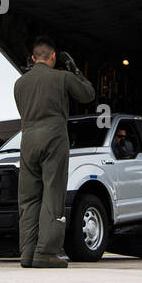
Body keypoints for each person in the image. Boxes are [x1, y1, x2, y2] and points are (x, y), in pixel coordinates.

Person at [13, 37, 94, 268]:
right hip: (54, 137)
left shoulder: (20, 83)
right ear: (53, 57)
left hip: (27, 139)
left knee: (28, 198)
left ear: (32, 58)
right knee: (53, 192)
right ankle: (46, 252)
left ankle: (27, 253)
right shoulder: (62, 77)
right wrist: (75, 70)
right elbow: (88, 94)